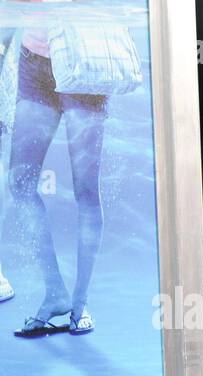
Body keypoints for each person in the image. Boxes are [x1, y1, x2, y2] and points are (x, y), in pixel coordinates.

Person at [10, 1, 124, 339]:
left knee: (86, 191)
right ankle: (56, 294)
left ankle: (80, 303)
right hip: (34, 61)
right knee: (20, 184)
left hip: (82, 55)